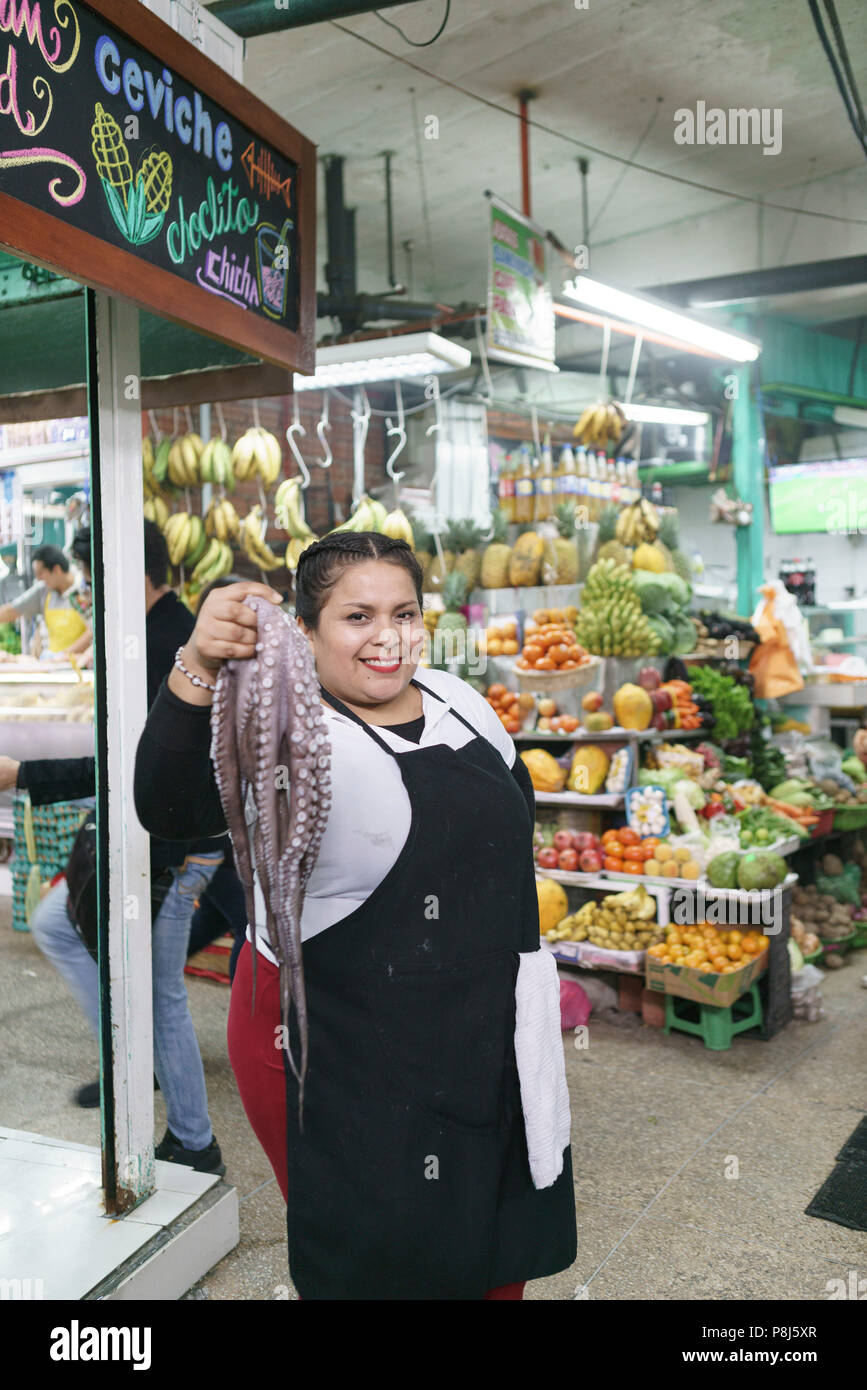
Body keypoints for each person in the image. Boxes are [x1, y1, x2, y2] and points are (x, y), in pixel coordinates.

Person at [134, 532, 577, 1300]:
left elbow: (509, 855)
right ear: (305, 631)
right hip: (327, 1041)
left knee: (490, 1250)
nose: (387, 638)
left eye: (404, 613)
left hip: (474, 1028)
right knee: (384, 1261)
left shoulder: (458, 700)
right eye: (357, 616)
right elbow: (168, 808)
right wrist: (198, 665)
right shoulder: (282, 732)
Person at [0, 522, 228, 1173]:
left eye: (96, 579)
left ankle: (193, 1138)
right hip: (142, 830)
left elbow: (130, 756)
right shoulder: (151, 630)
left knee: (159, 990)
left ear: (129, 573)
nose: (91, 594)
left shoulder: (169, 640)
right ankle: (133, 1063)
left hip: (175, 845)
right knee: (58, 923)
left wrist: (27, 775)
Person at [0, 543, 91, 658]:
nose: (38, 578)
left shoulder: (80, 591)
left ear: (57, 569)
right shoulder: (43, 590)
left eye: (40, 573)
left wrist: (65, 655)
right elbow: (12, 610)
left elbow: (92, 630)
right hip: (50, 659)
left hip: (77, 661)